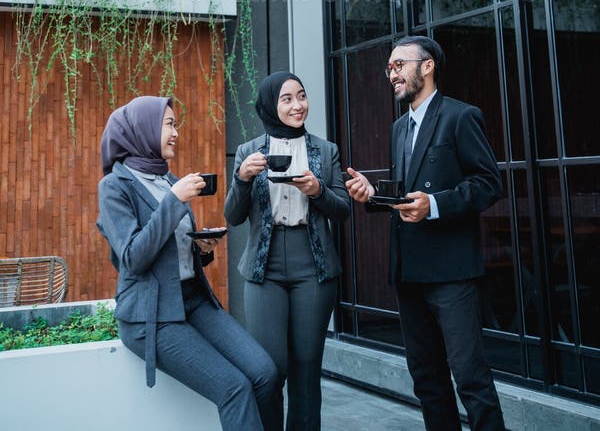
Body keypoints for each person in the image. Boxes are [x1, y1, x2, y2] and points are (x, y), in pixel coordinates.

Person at [345, 36, 506, 431]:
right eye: (389, 68)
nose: (392, 74)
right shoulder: (399, 128)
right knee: (427, 380)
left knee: (470, 379)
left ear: (428, 65)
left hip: (452, 273)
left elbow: (489, 184)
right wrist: (371, 195)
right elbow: (405, 196)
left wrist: (434, 205)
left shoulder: (460, 116)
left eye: (399, 65)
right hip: (409, 272)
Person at [97, 95, 280, 431]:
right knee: (234, 387)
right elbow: (134, 258)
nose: (175, 132)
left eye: (175, 124)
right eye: (168, 124)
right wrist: (173, 200)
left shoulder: (168, 179)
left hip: (192, 300)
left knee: (265, 373)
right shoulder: (114, 187)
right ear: (143, 129)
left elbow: (174, 250)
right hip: (150, 315)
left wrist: (202, 247)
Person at [224, 71, 350, 431]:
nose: (298, 105)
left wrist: (317, 190)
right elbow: (233, 216)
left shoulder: (325, 151)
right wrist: (242, 179)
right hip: (264, 269)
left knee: (307, 367)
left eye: (301, 96)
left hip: (314, 266)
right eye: (287, 99)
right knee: (269, 367)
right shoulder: (250, 152)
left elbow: (341, 210)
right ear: (269, 105)